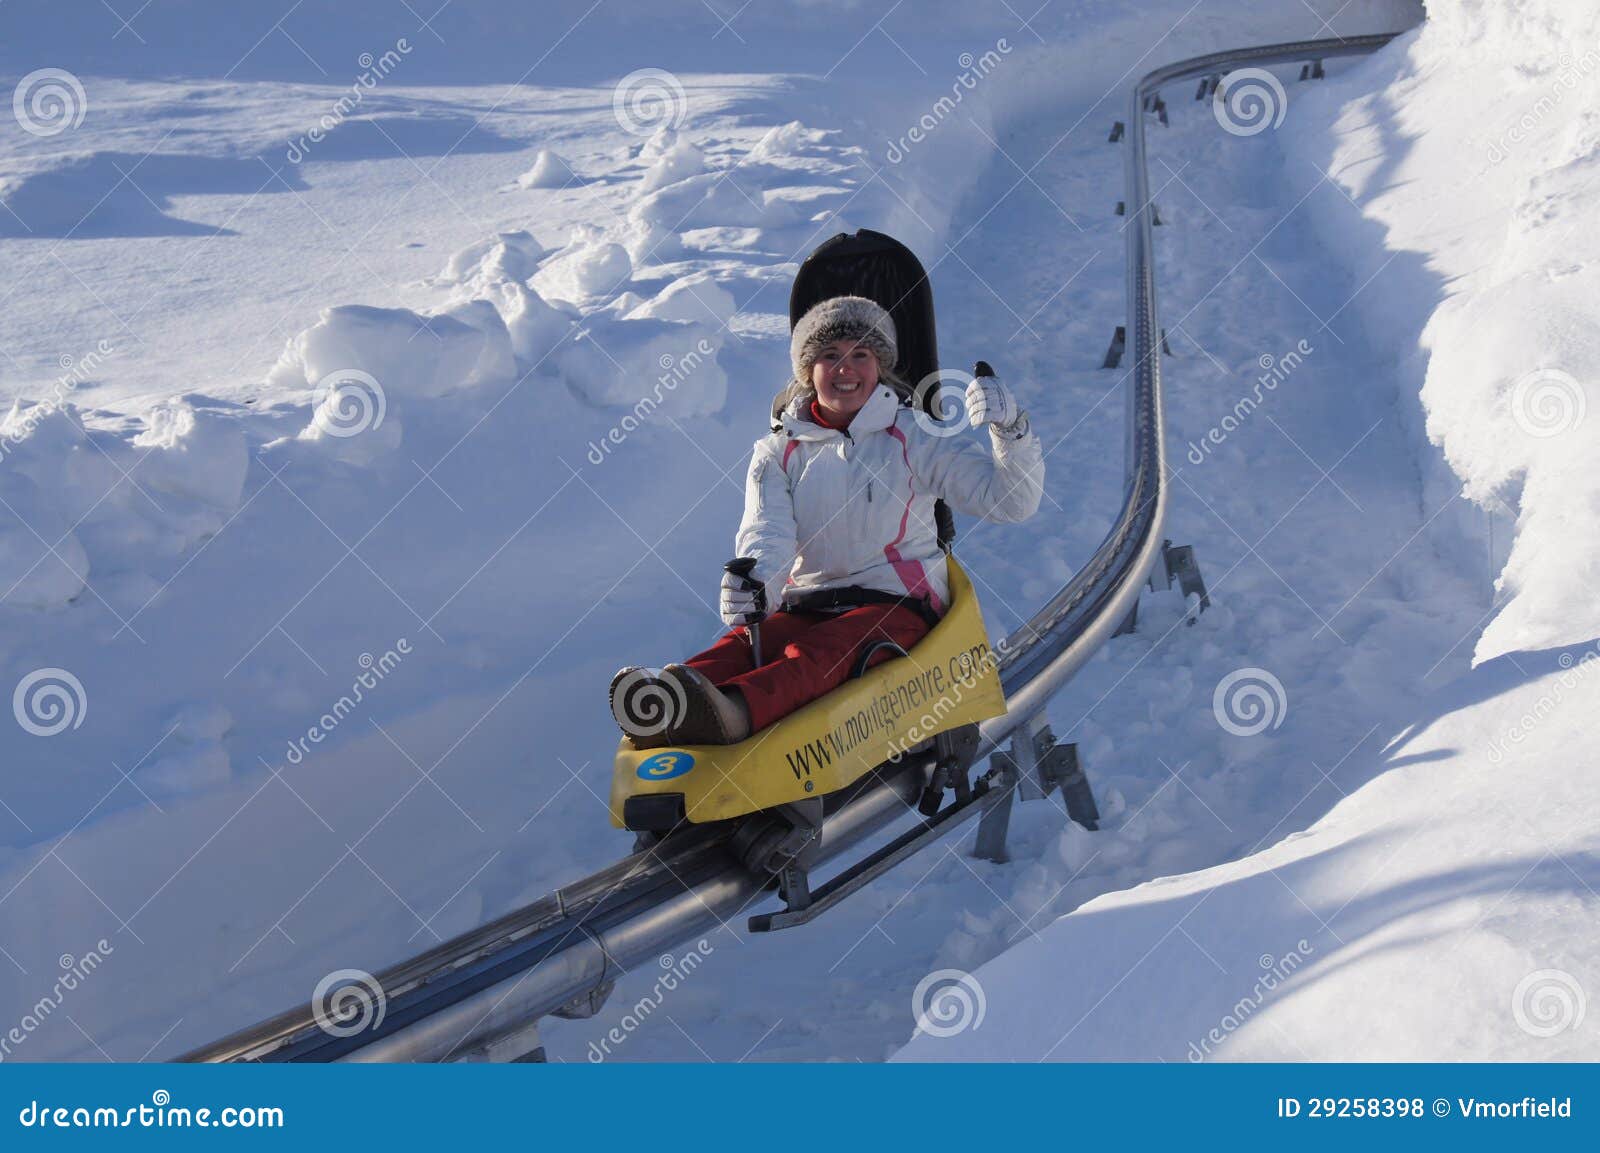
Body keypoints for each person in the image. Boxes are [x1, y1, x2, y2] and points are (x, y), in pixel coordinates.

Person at [612, 294, 1044, 747]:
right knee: (739, 647)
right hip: (807, 604)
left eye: (861, 354)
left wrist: (1010, 429)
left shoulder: (914, 436)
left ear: (879, 365)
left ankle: (735, 712)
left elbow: (1011, 502)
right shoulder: (778, 452)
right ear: (808, 369)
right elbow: (768, 533)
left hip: (895, 605)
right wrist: (757, 584)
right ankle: (665, 704)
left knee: (818, 654)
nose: (845, 368)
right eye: (830, 355)